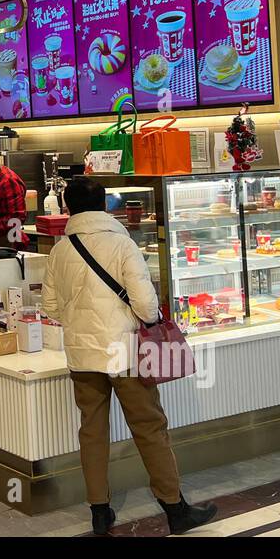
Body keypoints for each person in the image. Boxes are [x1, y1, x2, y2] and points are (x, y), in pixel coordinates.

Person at [42, 176, 217, 536]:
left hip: (82, 355)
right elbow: (146, 305)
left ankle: (100, 512)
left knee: (92, 431)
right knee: (150, 428)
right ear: (105, 205)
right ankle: (175, 508)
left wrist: (79, 323)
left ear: (68, 208)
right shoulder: (123, 245)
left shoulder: (60, 250)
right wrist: (147, 321)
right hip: (126, 354)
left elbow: (50, 308)